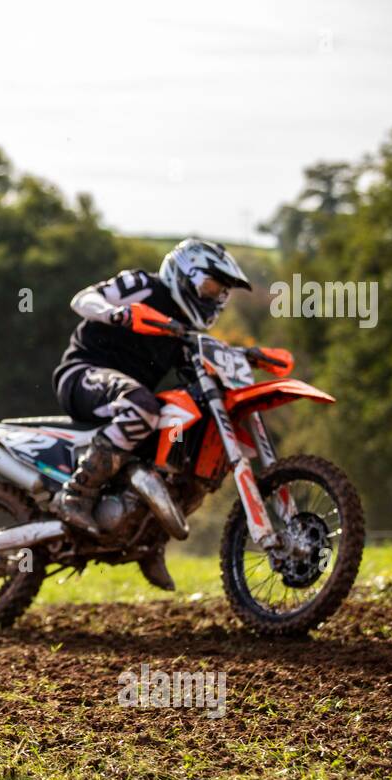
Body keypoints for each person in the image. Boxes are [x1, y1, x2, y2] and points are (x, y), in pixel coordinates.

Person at [51, 238, 252, 590]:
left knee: (192, 444)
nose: (214, 297)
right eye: (210, 286)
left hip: (128, 399)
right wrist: (118, 313)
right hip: (83, 374)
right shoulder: (142, 286)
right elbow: (81, 299)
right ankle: (77, 494)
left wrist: (248, 357)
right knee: (142, 405)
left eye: (221, 293)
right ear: (185, 273)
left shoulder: (184, 334)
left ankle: (148, 540)